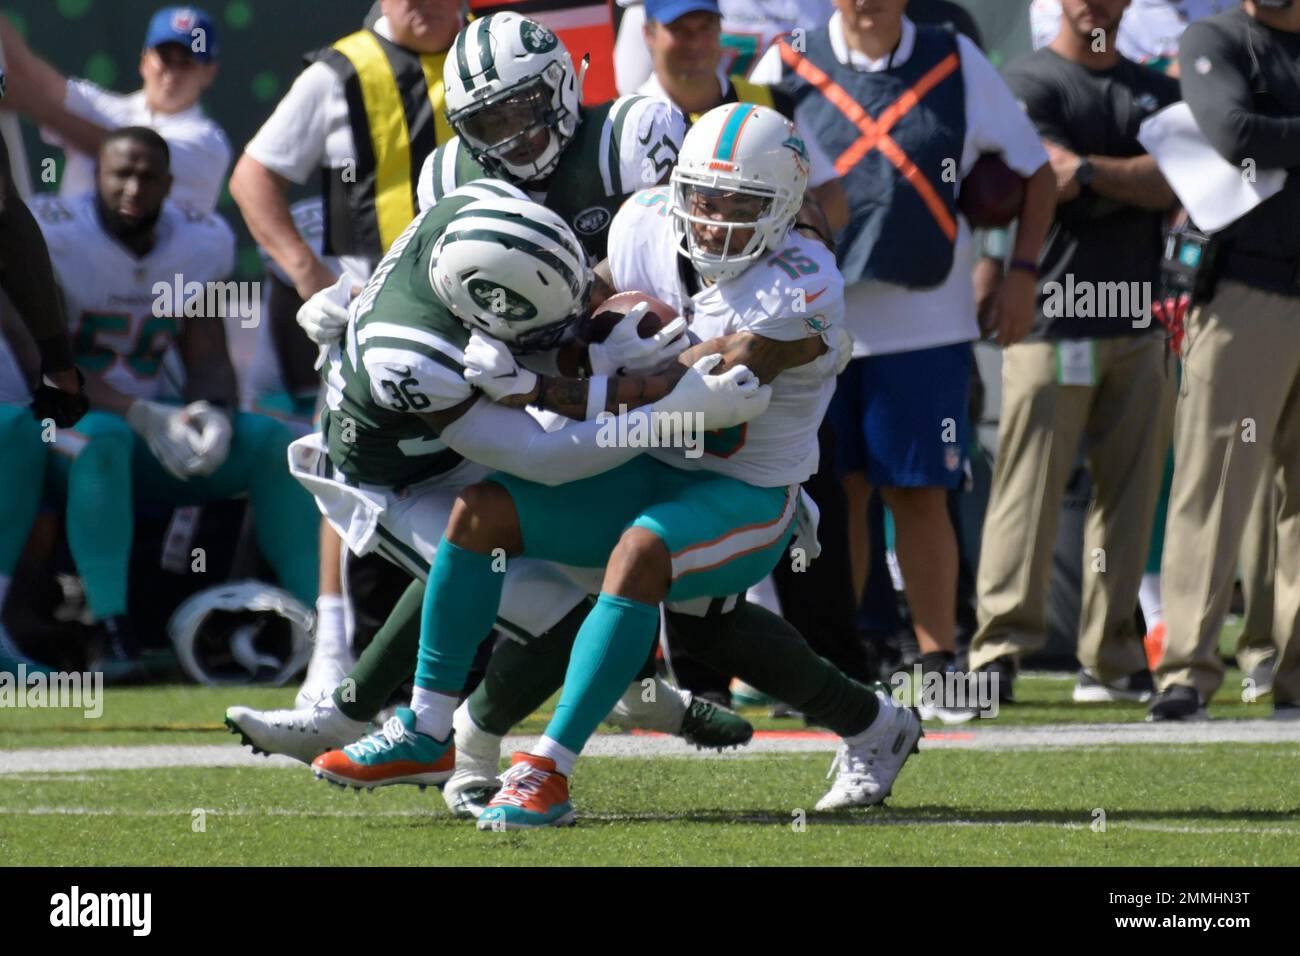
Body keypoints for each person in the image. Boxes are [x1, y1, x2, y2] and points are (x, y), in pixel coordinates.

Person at [331, 104, 923, 829]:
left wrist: (540, 389)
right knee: (483, 512)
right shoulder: (642, 219)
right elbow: (583, 306)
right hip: (647, 462)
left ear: (788, 206)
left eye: (742, 205)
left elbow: (697, 384)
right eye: (703, 199)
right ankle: (427, 727)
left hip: (748, 492)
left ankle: (546, 771)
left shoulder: (802, 280)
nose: (714, 222)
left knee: (642, 555)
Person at [750, 0, 1055, 720]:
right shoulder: (786, 60)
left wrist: (1021, 272)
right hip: (816, 321)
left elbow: (1036, 171)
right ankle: (839, 664)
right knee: (836, 496)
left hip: (928, 321)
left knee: (920, 493)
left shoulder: (952, 55)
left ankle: (940, 660)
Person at [3, 127, 319, 673]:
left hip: (150, 434)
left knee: (270, 442)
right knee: (106, 439)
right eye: (121, 173)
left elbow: (207, 353)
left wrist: (214, 411)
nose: (133, 186)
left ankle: (327, 624)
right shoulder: (56, 234)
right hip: (66, 428)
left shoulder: (200, 241)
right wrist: (141, 413)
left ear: (169, 184)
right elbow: (45, 362)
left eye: (147, 176)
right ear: (95, 177)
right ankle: (113, 634)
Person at [231, 0, 465, 706]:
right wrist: (312, 276)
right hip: (377, 305)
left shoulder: (490, 50)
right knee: (347, 466)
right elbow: (253, 176)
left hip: (483, 304)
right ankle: (331, 652)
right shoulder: (340, 72)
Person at [967, 0, 1180, 704]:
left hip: (1139, 319)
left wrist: (1089, 173)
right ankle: (998, 650)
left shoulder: (1157, 90)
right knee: (1025, 491)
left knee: (1130, 499)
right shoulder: (1029, 81)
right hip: (1051, 317)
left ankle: (1113, 656)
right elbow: (1045, 182)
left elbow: (1174, 183)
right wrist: (1122, 176)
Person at [1152, 0, 1300, 720]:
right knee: (1216, 481)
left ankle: (1291, 671)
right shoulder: (1215, 35)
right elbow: (1236, 133)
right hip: (1248, 289)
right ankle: (1187, 667)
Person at [3, 6, 228, 214]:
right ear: (145, 60)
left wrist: (37, 108)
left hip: (152, 257)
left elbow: (136, 156)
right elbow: (31, 74)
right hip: (68, 253)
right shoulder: (110, 109)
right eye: (165, 58)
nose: (172, 73)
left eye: (186, 63)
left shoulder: (209, 142)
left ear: (208, 72)